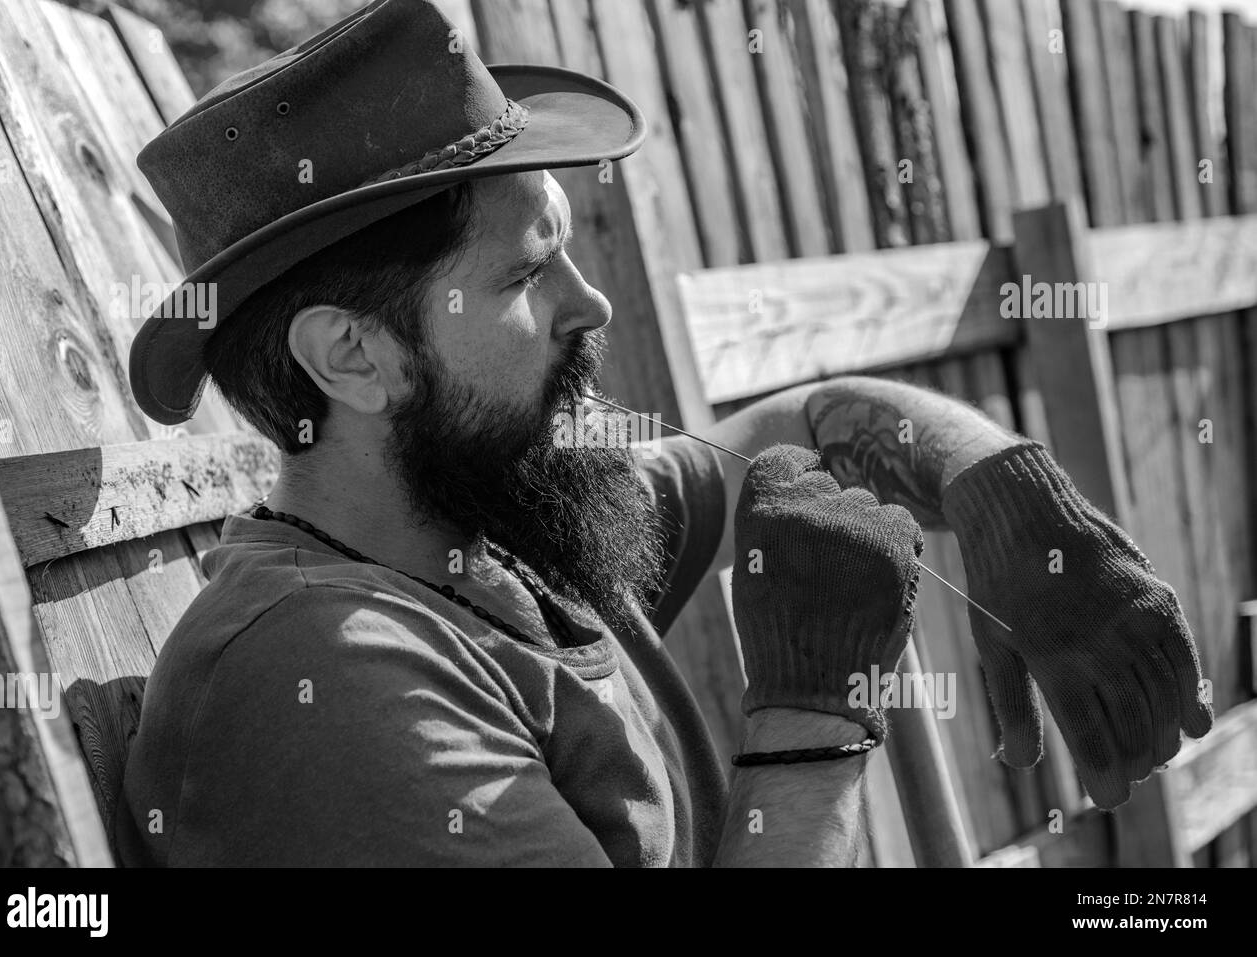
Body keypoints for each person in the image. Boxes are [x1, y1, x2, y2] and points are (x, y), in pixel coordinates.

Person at [117, 0, 1212, 866]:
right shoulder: (329, 688)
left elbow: (802, 425)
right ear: (353, 356)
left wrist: (996, 490)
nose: (590, 305)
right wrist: (813, 721)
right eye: (529, 273)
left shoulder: (489, 540)